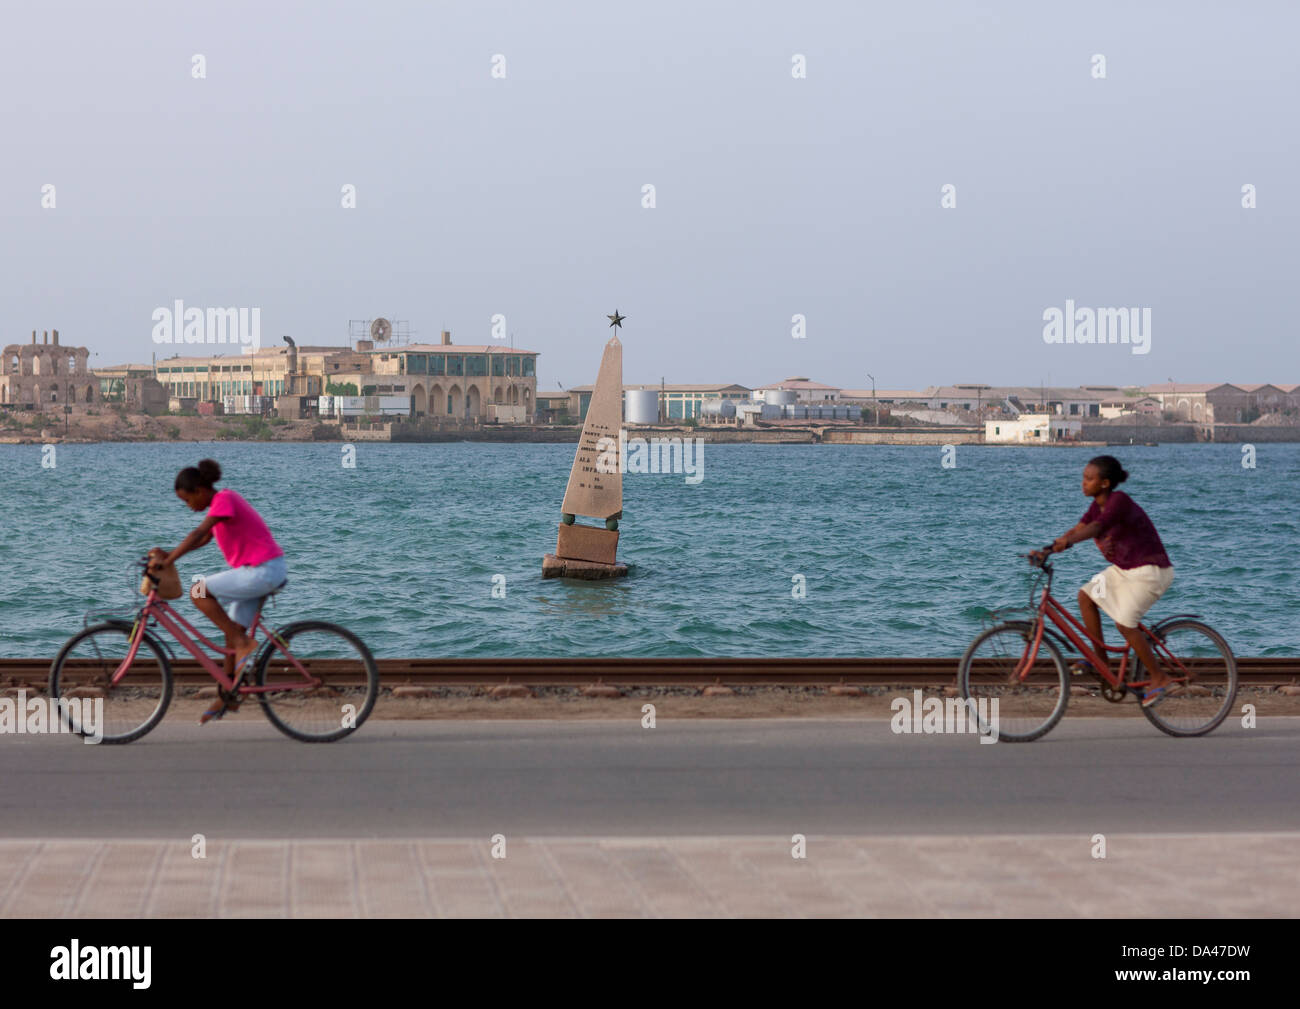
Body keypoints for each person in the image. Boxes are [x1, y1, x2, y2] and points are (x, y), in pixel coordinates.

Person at [149, 458, 287, 722]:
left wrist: (168, 561)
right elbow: (203, 539)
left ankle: (243, 643)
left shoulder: (224, 498)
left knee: (198, 591)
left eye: (188, 501)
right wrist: (170, 553)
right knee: (230, 633)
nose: (189, 508)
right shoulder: (220, 506)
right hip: (260, 571)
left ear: (200, 491)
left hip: (262, 570)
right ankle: (228, 695)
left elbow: (196, 534)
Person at [1034, 455, 1176, 707]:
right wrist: (1047, 549)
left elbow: (1096, 529)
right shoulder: (1095, 505)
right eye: (1083, 478)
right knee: (1086, 596)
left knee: (1124, 623)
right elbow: (1078, 530)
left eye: (1089, 479)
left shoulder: (1118, 502)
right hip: (1124, 569)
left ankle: (1159, 677)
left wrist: (1070, 541)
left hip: (1149, 571)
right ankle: (1100, 662)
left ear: (1105, 483)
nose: (1083, 483)